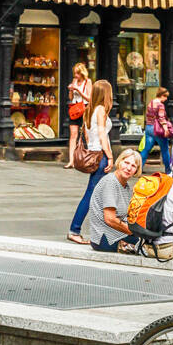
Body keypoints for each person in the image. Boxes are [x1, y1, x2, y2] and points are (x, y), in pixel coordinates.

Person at [67, 78, 113, 244]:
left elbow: (87, 135)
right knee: (92, 194)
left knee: (101, 194)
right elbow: (102, 134)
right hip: (99, 155)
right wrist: (110, 156)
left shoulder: (89, 110)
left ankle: (106, 230)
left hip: (93, 153)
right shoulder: (100, 110)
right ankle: (75, 229)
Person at [88, 147, 141, 252]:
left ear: (136, 171)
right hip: (105, 237)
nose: (129, 168)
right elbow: (110, 219)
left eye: (133, 166)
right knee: (146, 242)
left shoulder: (125, 186)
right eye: (126, 163)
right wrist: (132, 231)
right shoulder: (110, 182)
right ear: (119, 162)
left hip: (117, 232)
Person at [65, 62, 92, 169]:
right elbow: (71, 97)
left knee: (87, 134)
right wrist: (71, 90)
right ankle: (71, 160)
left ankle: (90, 159)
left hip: (85, 108)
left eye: (77, 74)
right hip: (74, 108)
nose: (76, 76)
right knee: (73, 135)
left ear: (82, 73)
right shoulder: (74, 81)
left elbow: (89, 98)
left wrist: (78, 90)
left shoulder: (88, 82)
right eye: (75, 73)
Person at [141, 86, 173, 171]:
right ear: (162, 95)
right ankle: (168, 169)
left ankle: (138, 168)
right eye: (165, 96)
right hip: (157, 129)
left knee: (146, 149)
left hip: (148, 128)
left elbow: (148, 116)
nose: (166, 99)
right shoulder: (160, 105)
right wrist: (166, 129)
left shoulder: (150, 103)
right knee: (165, 149)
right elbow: (161, 118)